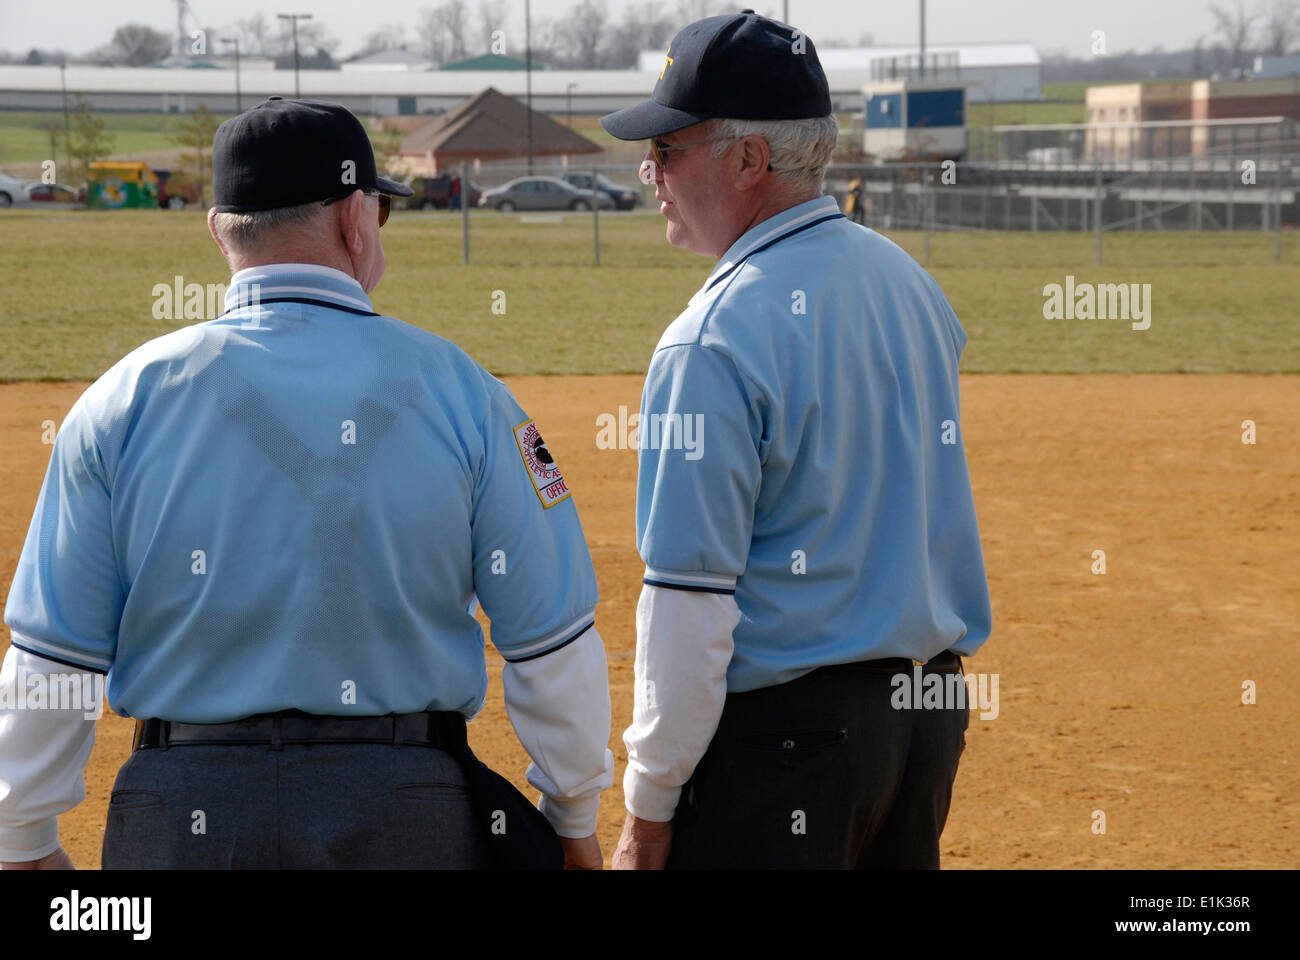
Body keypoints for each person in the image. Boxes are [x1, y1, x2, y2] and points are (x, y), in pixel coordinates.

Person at [0, 97, 613, 870]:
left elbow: (51, 657)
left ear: (218, 229)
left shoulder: (118, 400)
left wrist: (21, 838)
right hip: (403, 806)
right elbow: (551, 642)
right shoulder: (469, 394)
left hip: (179, 808)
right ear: (356, 218)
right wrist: (574, 815)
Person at [600, 11, 992, 869]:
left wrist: (648, 807)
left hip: (791, 746)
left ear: (750, 159)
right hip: (923, 722)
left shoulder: (710, 337)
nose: (648, 171)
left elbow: (688, 602)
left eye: (669, 149)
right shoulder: (909, 281)